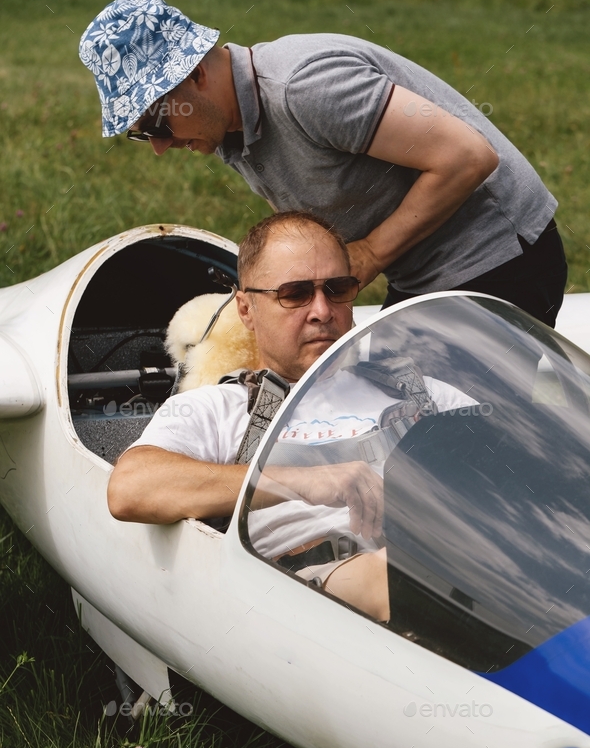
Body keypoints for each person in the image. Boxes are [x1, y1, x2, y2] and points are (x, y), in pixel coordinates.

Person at [80, 0, 567, 327]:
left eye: (158, 122)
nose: (161, 145)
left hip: (502, 259)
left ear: (194, 76)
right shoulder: (228, 128)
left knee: (445, 447)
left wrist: (372, 253)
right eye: (142, 134)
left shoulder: (306, 88)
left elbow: (467, 157)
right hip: (423, 273)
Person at [107, 211, 476, 622]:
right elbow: (131, 487)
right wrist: (303, 480)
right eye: (295, 294)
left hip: (453, 556)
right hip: (312, 590)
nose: (322, 310)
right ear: (246, 309)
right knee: (413, 577)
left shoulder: (416, 389)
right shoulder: (219, 408)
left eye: (337, 289)